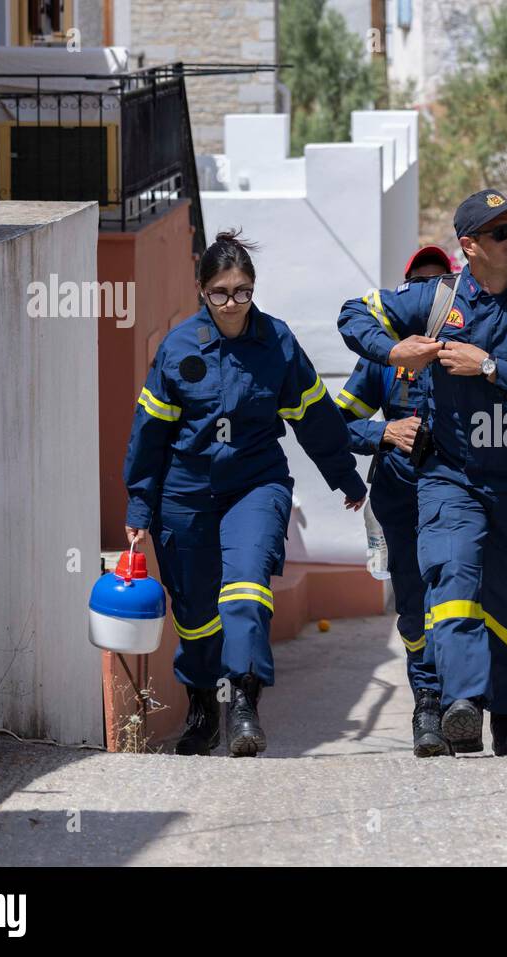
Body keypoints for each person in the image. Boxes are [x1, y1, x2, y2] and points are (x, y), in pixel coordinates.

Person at [337, 189, 507, 756]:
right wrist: (394, 353)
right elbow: (354, 314)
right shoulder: (432, 298)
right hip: (449, 476)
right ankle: (461, 701)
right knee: (450, 581)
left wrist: (490, 367)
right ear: (469, 247)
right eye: (501, 233)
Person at [123, 230, 367, 757]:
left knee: (246, 589)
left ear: (254, 289)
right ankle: (203, 708)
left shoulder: (277, 342)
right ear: (200, 291)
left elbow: (314, 416)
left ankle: (243, 706)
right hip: (184, 493)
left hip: (255, 484)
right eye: (220, 293)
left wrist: (345, 476)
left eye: (242, 292)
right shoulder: (179, 349)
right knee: (194, 613)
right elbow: (151, 431)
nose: (232, 304)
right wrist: (140, 503)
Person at [335, 244, 456, 757]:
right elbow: (338, 424)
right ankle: (427, 703)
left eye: (440, 286)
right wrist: (384, 432)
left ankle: (464, 701)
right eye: (418, 286)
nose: (428, 298)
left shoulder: (467, 350)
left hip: (460, 496)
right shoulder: (382, 359)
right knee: (414, 606)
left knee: (456, 593)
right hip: (400, 495)